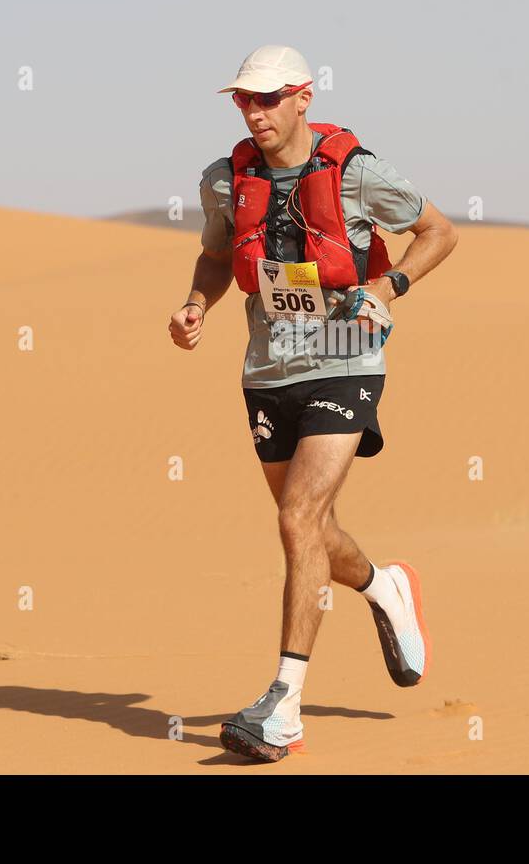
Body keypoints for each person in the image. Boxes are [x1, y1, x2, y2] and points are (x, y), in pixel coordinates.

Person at [167, 44, 458, 762]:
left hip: (345, 363)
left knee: (298, 518)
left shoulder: (356, 174)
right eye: (244, 100)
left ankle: (284, 705)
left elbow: (439, 232)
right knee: (309, 529)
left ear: (304, 97)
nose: (255, 111)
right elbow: (216, 255)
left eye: (268, 98)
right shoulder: (224, 181)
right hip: (267, 373)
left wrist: (388, 292)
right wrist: (196, 302)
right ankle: (385, 586)